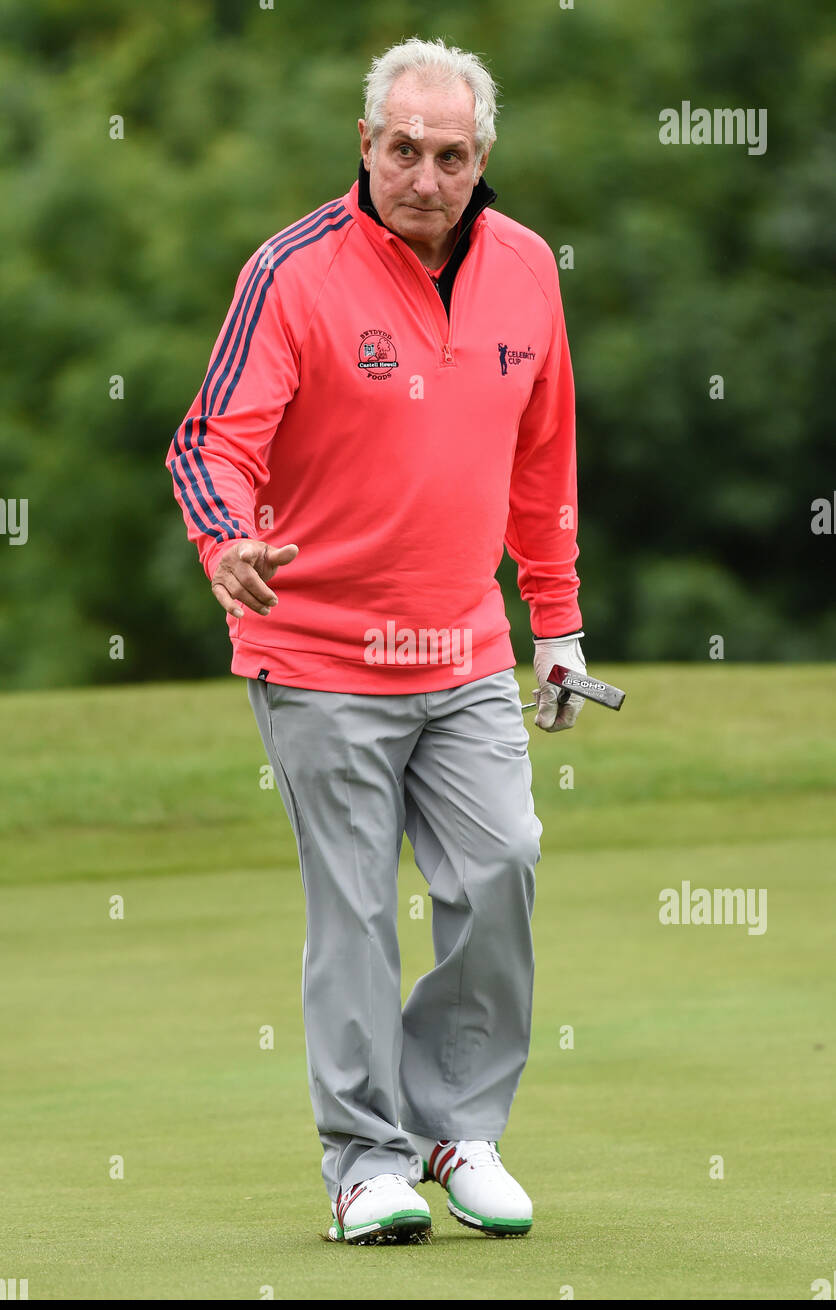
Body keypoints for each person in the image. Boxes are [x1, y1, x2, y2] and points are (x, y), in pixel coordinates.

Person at [165, 36, 587, 1246]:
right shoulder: (292, 271)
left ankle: (453, 1123)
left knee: (501, 861)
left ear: (481, 159)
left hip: (463, 648)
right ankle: (364, 1162)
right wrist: (229, 543)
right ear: (365, 144)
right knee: (352, 909)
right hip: (318, 652)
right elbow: (210, 445)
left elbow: (541, 460)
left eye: (450, 154)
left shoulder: (522, 271)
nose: (424, 173)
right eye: (402, 148)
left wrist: (552, 624)